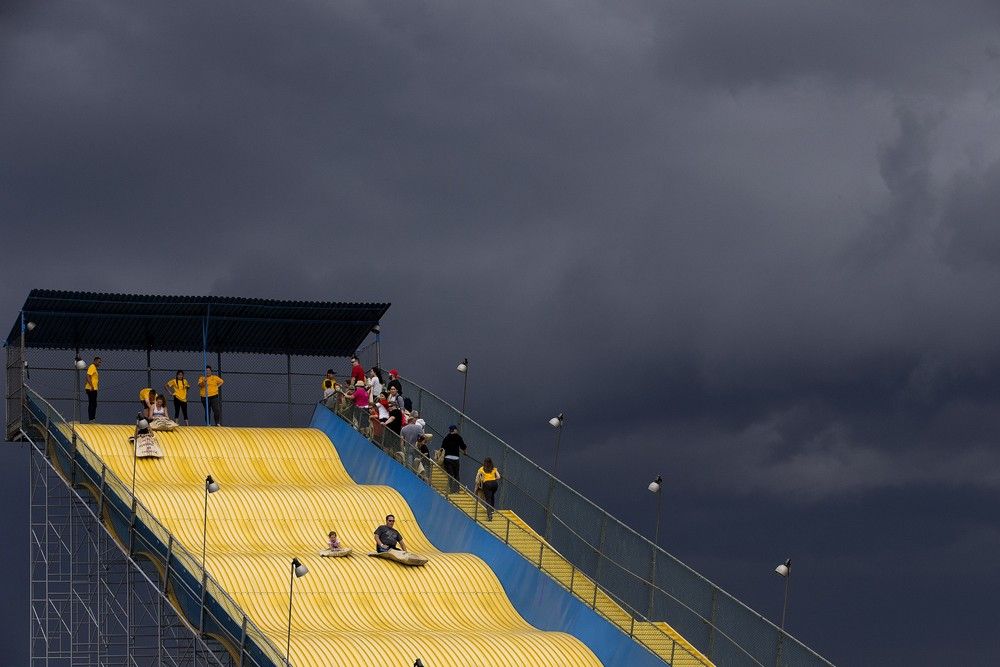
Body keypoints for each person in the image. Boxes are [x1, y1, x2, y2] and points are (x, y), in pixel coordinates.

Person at [440, 424, 467, 494]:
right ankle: (456, 490)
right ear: (454, 430)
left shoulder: (446, 437)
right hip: (456, 458)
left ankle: (450, 489)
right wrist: (465, 452)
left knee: (450, 474)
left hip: (447, 458)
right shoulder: (458, 437)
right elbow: (463, 446)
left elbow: (442, 447)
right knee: (456, 474)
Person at [84, 357, 101, 422]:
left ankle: (92, 418)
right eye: (99, 362)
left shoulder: (94, 368)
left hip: (92, 388)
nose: (100, 363)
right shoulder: (92, 367)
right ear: (95, 361)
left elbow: (88, 378)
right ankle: (91, 419)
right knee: (92, 403)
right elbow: (88, 376)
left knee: (93, 403)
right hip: (91, 389)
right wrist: (91, 386)